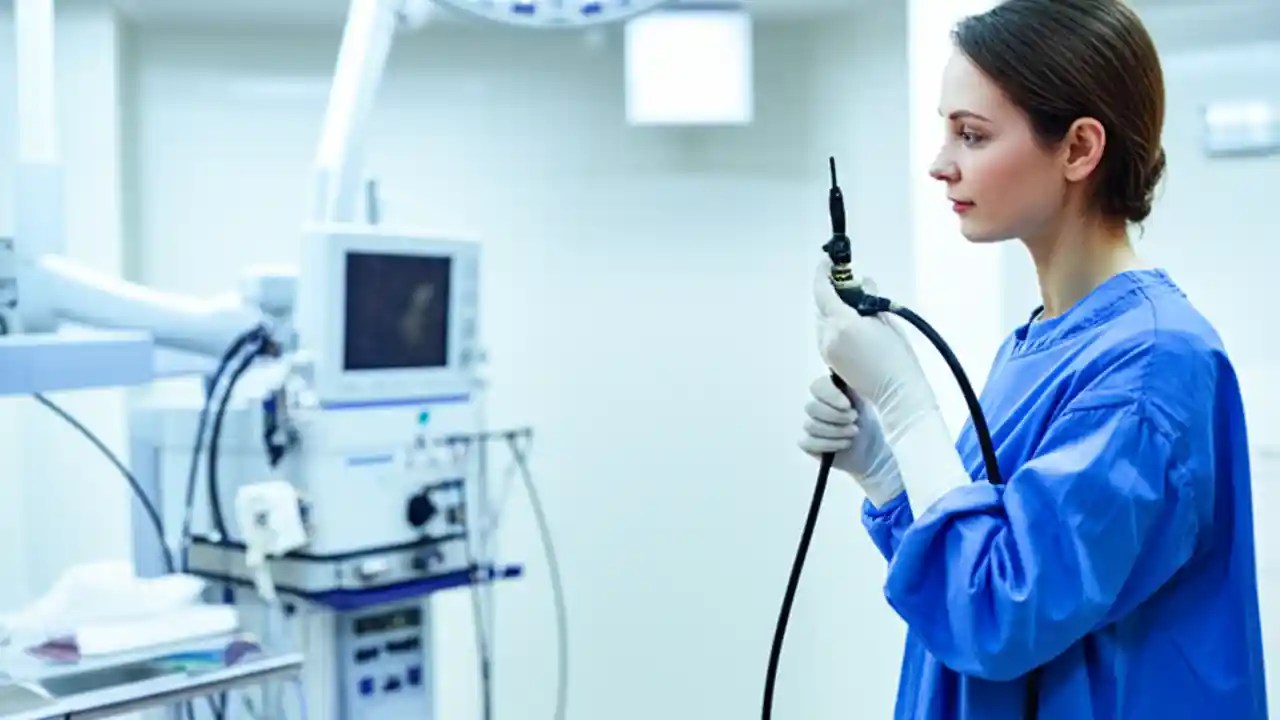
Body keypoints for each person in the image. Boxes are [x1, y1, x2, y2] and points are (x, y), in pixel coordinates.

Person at [799, 1, 1268, 718]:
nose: (940, 164)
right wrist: (887, 476)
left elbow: (1000, 612)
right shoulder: (1040, 346)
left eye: (972, 134)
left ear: (1078, 148)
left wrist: (905, 402)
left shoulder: (1152, 366)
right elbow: (967, 578)